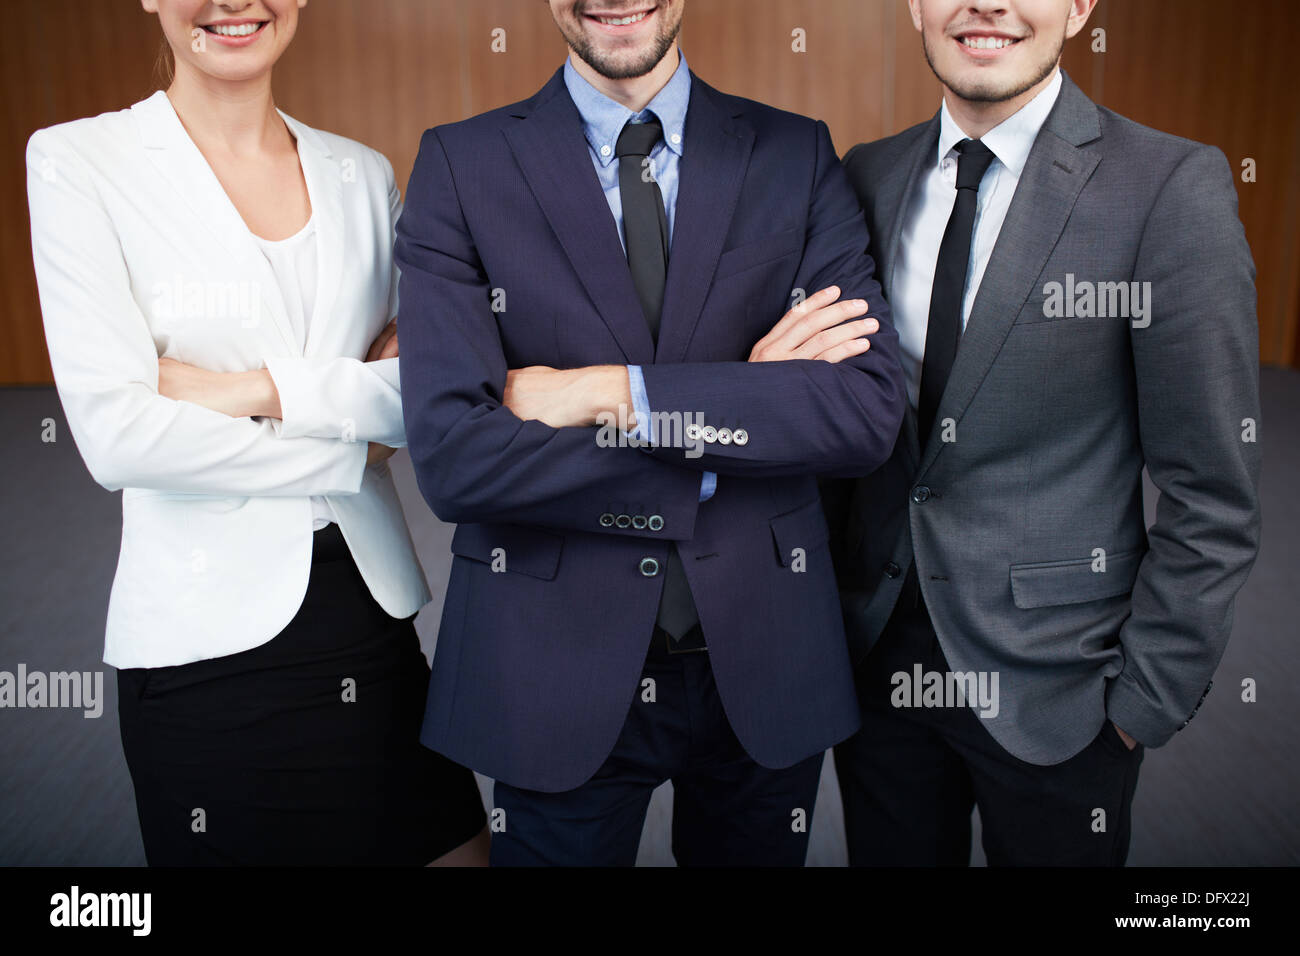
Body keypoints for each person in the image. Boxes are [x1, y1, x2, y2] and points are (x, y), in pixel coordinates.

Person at [395, 0, 905, 866]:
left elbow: (861, 413)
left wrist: (608, 393)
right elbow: (456, 461)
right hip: (551, 662)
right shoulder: (461, 163)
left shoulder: (794, 153)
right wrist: (740, 408)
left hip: (763, 645)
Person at [26, 0, 487, 866]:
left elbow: (415, 396)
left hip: (369, 614)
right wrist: (349, 436)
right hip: (206, 651)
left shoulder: (361, 174)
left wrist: (239, 391)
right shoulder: (79, 162)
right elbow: (119, 438)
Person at [824, 0, 1261, 866]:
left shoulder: (1169, 187)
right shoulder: (866, 175)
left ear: (1079, 6)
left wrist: (1141, 704)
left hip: (1064, 689)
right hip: (876, 664)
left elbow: (1210, 489)